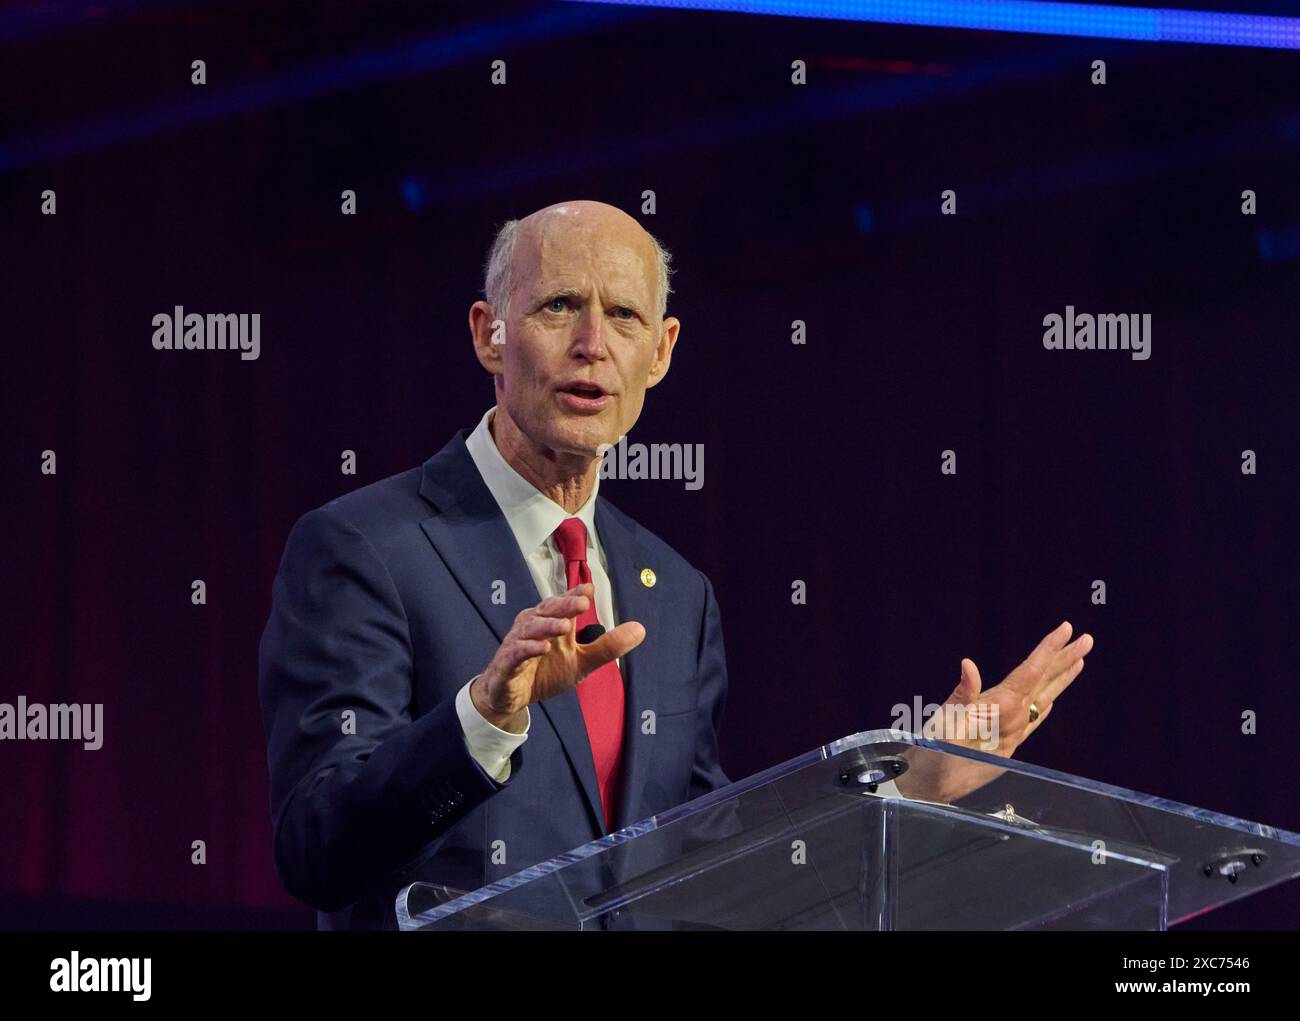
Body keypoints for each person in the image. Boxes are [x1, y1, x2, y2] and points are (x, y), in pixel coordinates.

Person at [257, 200, 1093, 930]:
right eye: (558, 306)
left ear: (660, 353)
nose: (593, 344)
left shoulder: (676, 589)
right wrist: (484, 715)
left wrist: (910, 788)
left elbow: (710, 866)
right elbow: (318, 845)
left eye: (623, 316)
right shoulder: (368, 546)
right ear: (489, 334)